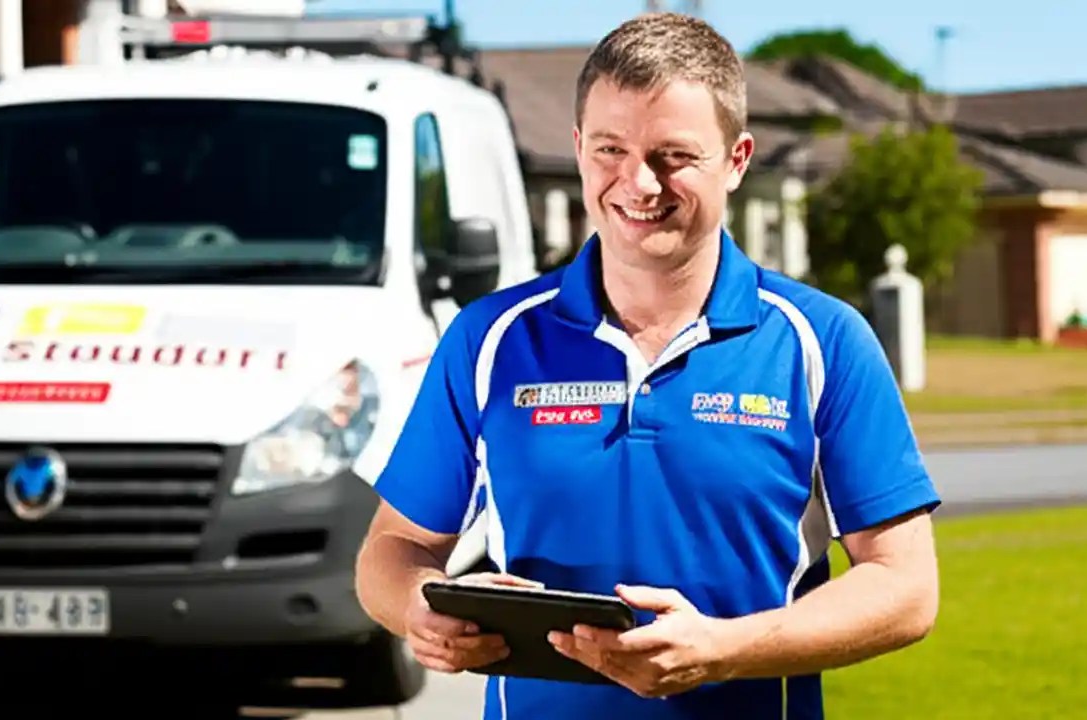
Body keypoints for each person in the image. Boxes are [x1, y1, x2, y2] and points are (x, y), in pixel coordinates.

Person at [354, 11, 941, 720]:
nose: (638, 183)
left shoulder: (824, 341)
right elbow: (392, 549)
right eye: (610, 150)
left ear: (737, 159)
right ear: (577, 149)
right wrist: (422, 608)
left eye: (673, 156)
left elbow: (905, 587)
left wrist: (725, 649)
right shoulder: (489, 340)